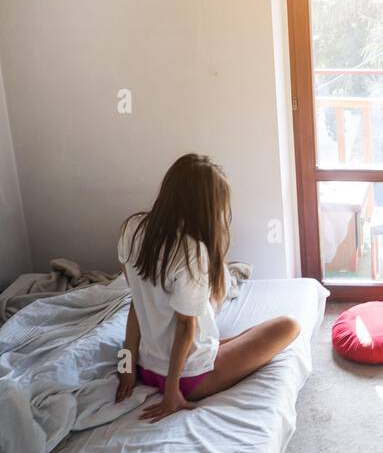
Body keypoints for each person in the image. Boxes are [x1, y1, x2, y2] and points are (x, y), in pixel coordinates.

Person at [114, 154, 299, 422]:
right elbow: (185, 326)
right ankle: (182, 376)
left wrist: (127, 364)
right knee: (288, 325)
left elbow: (136, 301)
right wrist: (172, 392)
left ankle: (197, 357)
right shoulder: (191, 251)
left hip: (145, 365)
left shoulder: (131, 228)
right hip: (188, 376)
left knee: (229, 329)